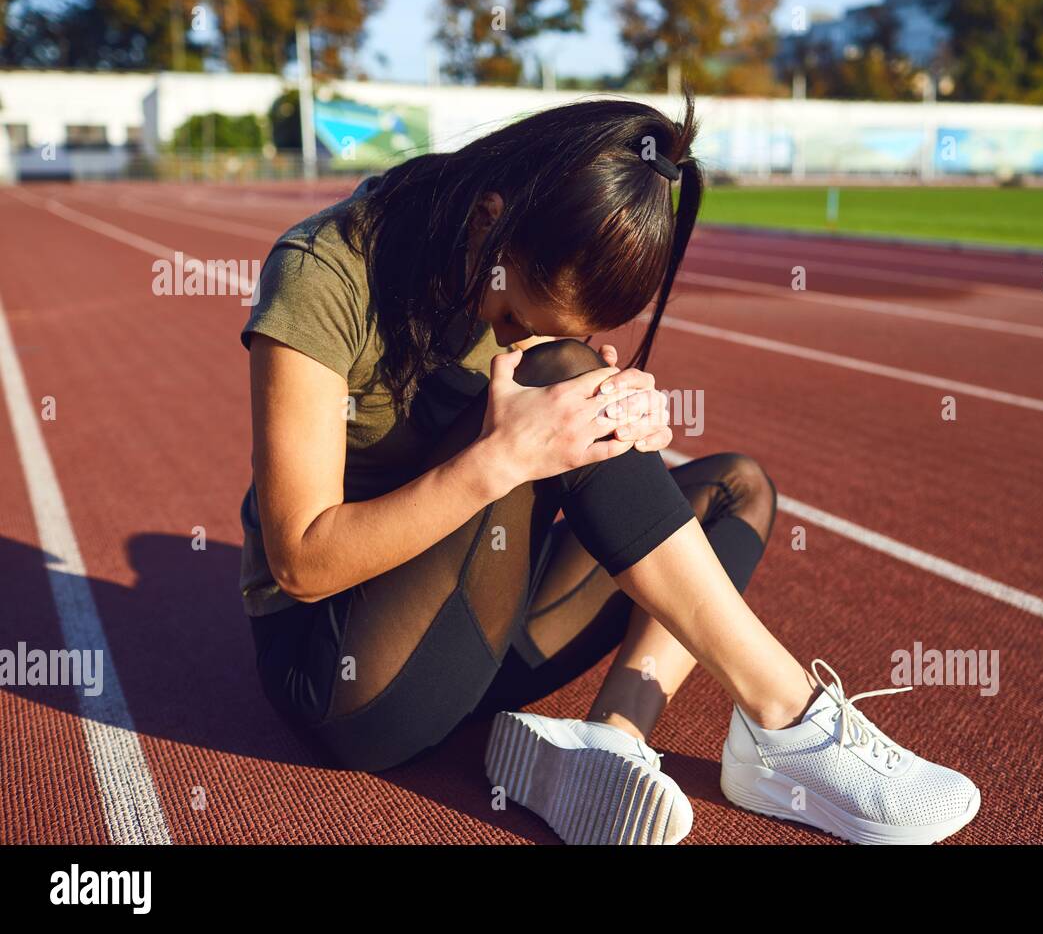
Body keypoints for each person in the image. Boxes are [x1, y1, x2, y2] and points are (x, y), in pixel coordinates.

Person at [241, 96, 979, 845]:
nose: (517, 338)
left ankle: (614, 741)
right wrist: (506, 454)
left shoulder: (516, 272)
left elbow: (558, 425)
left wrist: (620, 425)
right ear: (488, 217)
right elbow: (302, 562)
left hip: (477, 636)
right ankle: (788, 713)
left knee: (736, 490)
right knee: (554, 381)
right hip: (347, 676)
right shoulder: (326, 272)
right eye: (518, 319)